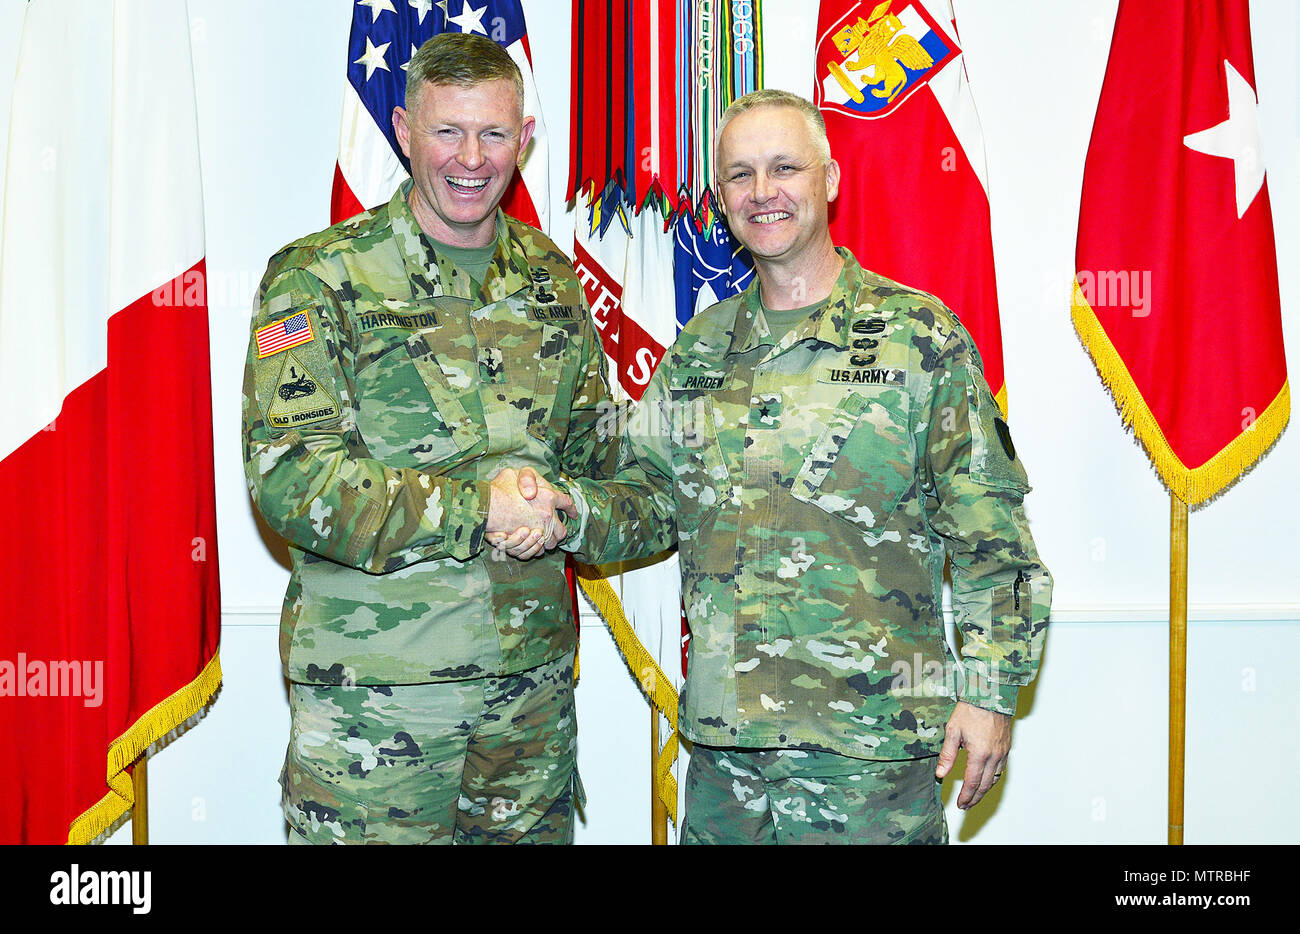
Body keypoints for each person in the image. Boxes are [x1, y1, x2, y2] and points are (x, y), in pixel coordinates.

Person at [493, 88, 1052, 845]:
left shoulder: (919, 338)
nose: (764, 192)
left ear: (829, 179)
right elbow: (651, 501)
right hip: (728, 762)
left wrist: (988, 694)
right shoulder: (700, 350)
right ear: (720, 198)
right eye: (740, 175)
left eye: (785, 167)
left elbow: (995, 542)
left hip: (870, 761)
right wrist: (561, 508)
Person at [241, 32, 599, 845]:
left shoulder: (554, 282)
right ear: (402, 130)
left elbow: (603, 460)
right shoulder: (317, 276)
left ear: (525, 138)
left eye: (494, 134)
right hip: (377, 715)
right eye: (447, 131)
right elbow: (292, 480)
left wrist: (571, 508)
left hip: (530, 717)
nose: (470, 158)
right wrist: (486, 507)